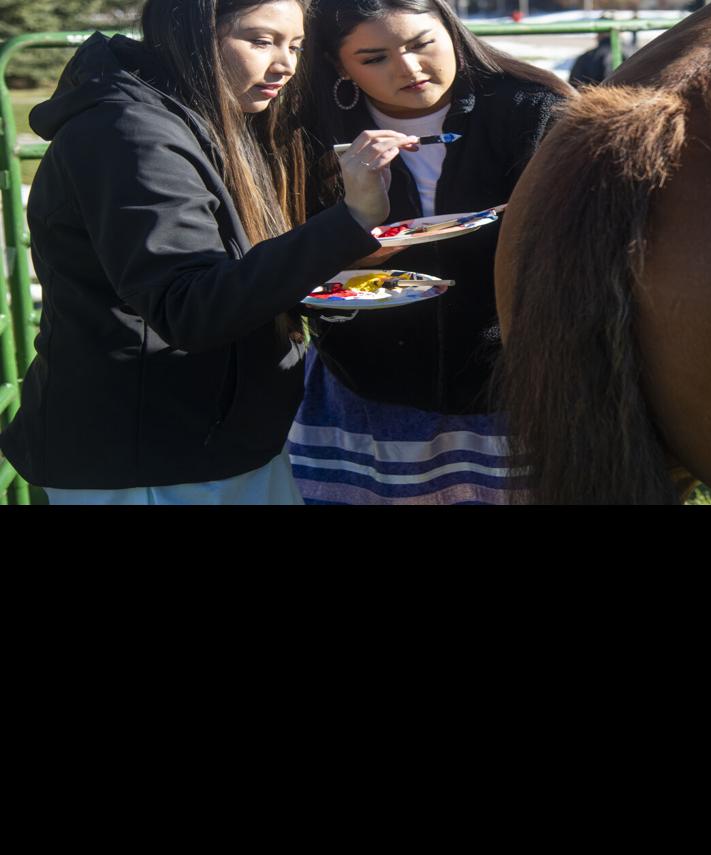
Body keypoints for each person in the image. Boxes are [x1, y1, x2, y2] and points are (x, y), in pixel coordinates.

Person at [0, 0, 416, 504]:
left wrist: (337, 252)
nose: (285, 64)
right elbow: (189, 307)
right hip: (152, 461)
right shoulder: (129, 132)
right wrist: (350, 220)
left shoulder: (197, 115)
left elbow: (227, 269)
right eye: (261, 40)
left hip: (209, 443)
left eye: (295, 46)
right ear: (190, 30)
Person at [289, 0, 570, 504]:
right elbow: (285, 251)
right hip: (364, 377)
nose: (409, 68)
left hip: (510, 379)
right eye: (374, 58)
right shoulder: (307, 127)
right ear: (338, 65)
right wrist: (354, 237)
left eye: (423, 44)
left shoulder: (531, 108)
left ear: (452, 31)